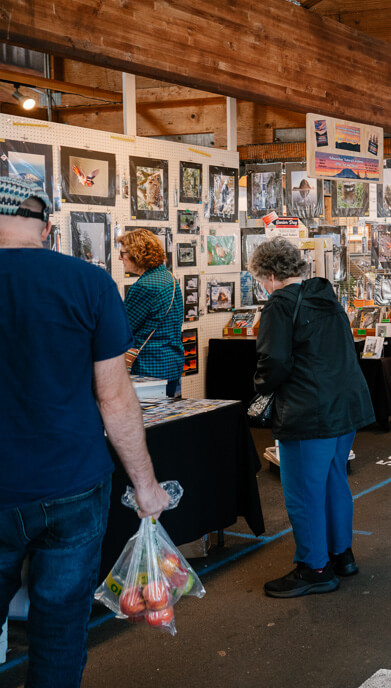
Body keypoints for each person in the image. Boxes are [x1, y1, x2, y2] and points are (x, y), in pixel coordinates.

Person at [0, 177, 170, 686]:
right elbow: (114, 397)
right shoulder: (89, 283)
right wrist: (145, 484)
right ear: (48, 227)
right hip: (71, 480)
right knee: (60, 627)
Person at [251, 237, 373, 597]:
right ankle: (341, 555)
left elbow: (273, 362)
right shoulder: (326, 296)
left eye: (261, 278)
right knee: (334, 482)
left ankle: (314, 568)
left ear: (270, 274)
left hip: (307, 410)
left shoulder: (279, 305)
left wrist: (260, 386)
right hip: (344, 405)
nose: (262, 284)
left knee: (304, 491)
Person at [118, 228, 184, 397]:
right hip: (171, 362)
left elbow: (123, 329)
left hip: (148, 367)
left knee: (146, 421)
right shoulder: (168, 278)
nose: (120, 258)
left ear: (137, 254)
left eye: (123, 253)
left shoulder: (144, 286)